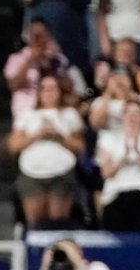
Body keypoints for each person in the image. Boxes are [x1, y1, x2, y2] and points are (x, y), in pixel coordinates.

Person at [7, 75, 85, 228]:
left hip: (61, 172)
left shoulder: (70, 115)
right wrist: (37, 135)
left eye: (53, 88)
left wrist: (59, 137)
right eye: (45, 89)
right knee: (35, 224)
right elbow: (14, 146)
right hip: (32, 173)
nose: (49, 93)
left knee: (58, 223)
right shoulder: (27, 115)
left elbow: (79, 146)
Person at [96, 100, 140, 232]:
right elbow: (106, 173)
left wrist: (138, 151)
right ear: (122, 116)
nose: (132, 117)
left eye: (136, 113)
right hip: (115, 197)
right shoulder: (109, 139)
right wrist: (123, 156)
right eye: (128, 112)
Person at [37, 237, 112, 270]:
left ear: (79, 253)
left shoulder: (96, 267)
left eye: (70, 251)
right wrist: (45, 266)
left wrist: (77, 263)